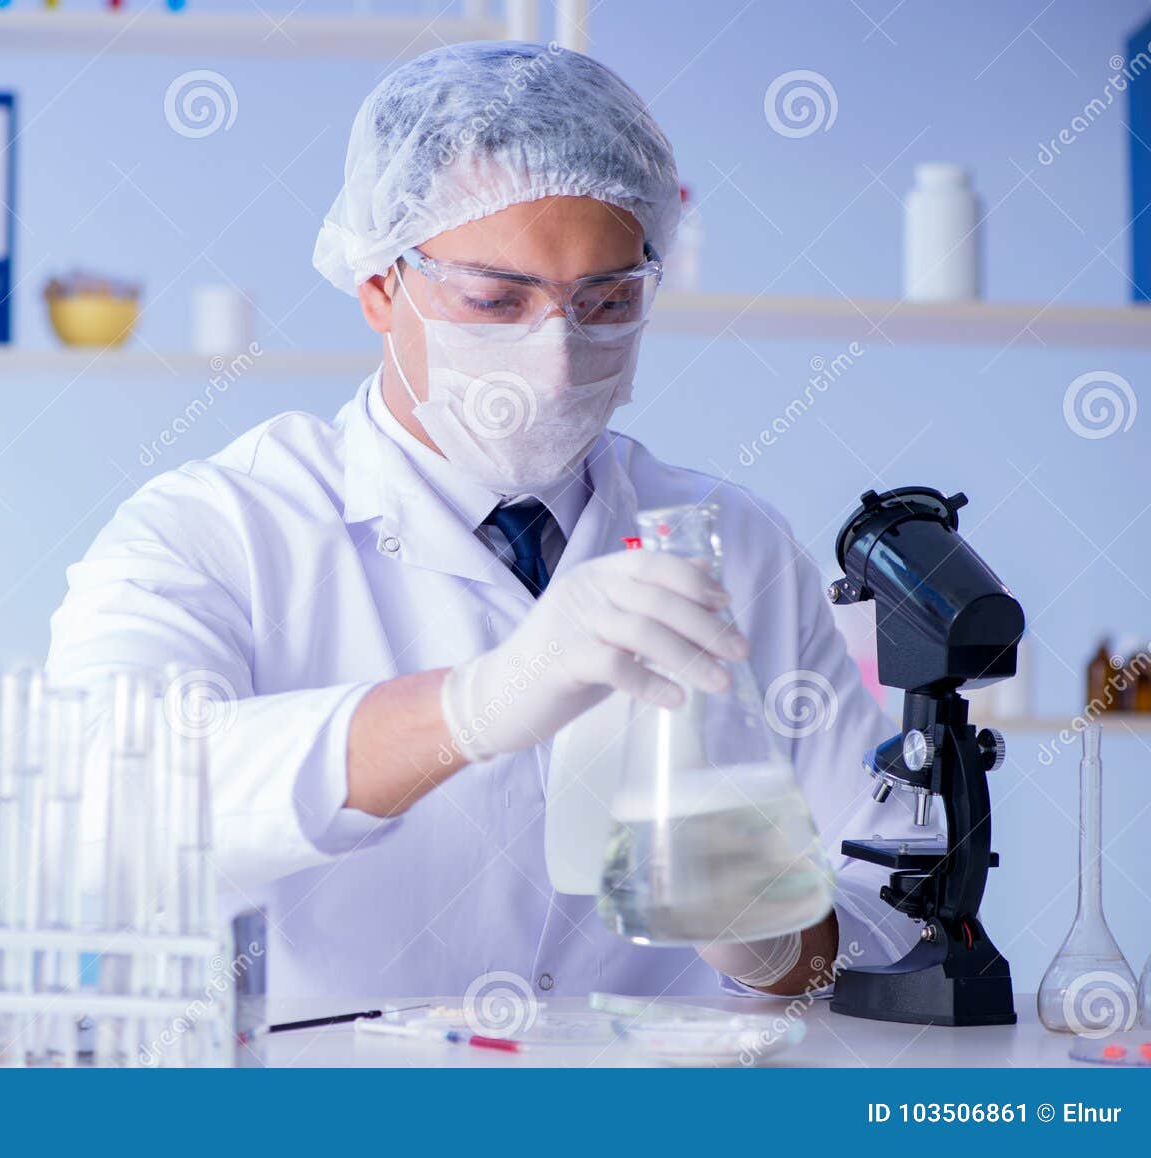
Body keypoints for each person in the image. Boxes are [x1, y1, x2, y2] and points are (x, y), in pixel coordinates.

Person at [48, 41, 920, 1002]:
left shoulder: (735, 544)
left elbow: (892, 911)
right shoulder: (216, 529)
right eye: (496, 301)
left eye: (607, 302)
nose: (557, 358)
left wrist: (767, 938)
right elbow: (111, 808)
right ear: (380, 285)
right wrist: (471, 706)